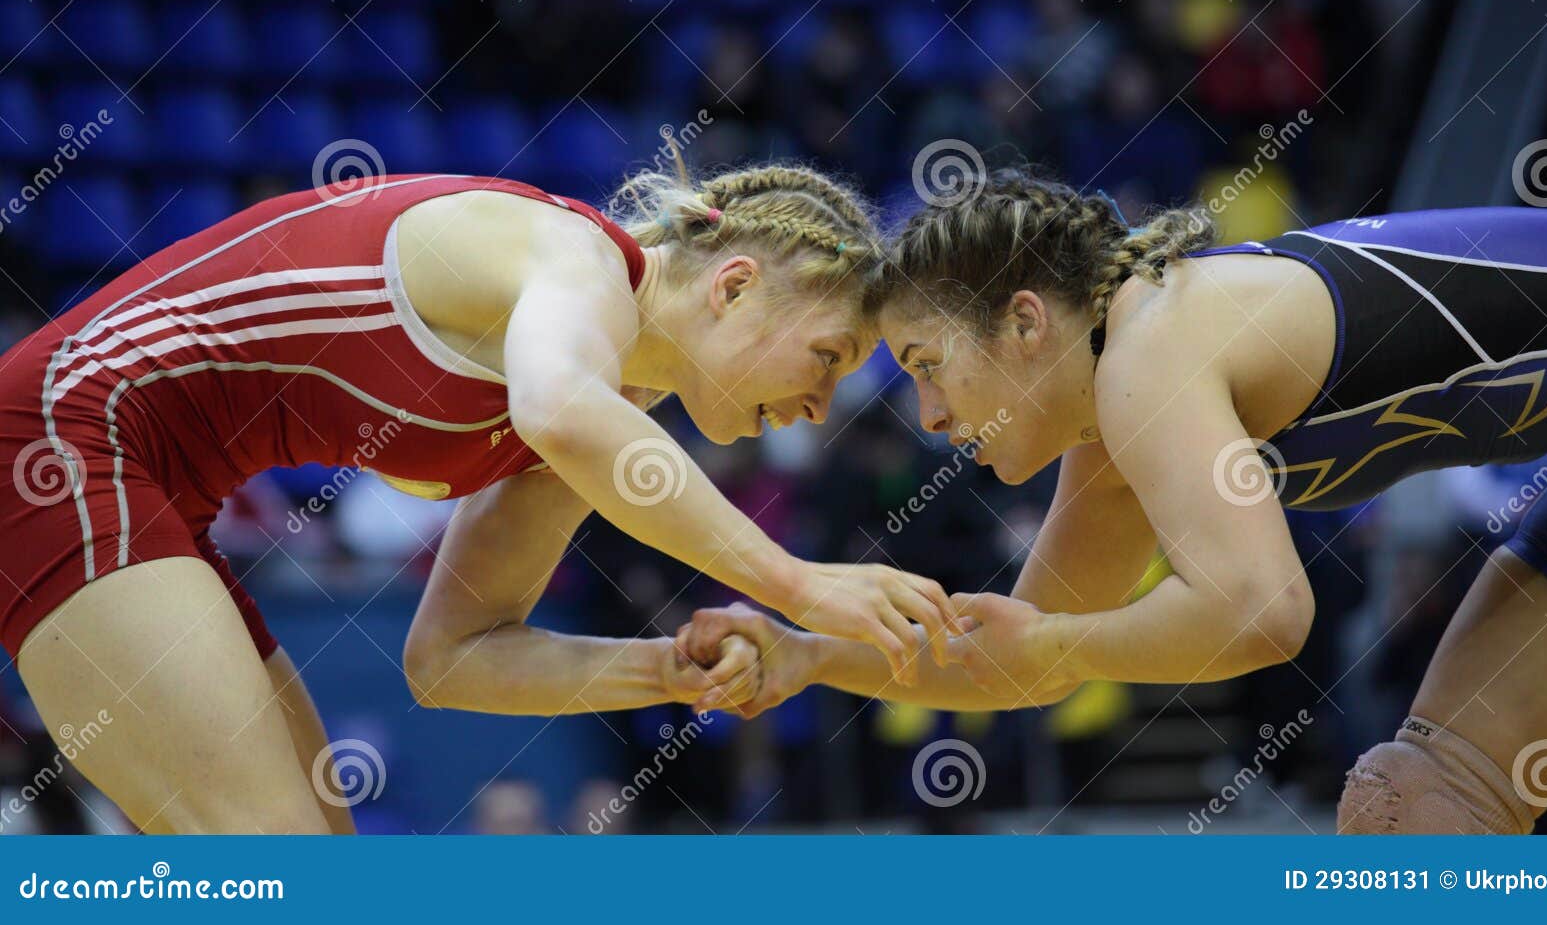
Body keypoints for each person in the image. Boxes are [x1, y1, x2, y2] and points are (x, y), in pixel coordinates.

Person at [0, 160, 955, 834]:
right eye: (827, 357)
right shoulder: (573, 259)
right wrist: (798, 583)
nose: (821, 403)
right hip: (59, 436)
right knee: (268, 861)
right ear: (735, 285)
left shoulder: (600, 396)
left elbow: (453, 659)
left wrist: (671, 671)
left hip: (155, 488)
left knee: (318, 877)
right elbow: (556, 409)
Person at [682, 169, 1547, 835]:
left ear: (1027, 321)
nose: (927, 415)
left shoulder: (1151, 345)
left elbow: (1261, 612)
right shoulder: (1117, 415)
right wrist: (808, 656)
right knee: (1424, 812)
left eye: (928, 366)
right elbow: (1019, 662)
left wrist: (1047, 641)